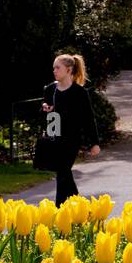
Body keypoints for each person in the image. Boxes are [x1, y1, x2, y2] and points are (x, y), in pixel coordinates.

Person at [41, 53, 100, 204]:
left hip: (71, 140)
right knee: (63, 173)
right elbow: (45, 111)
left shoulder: (79, 93)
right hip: (54, 137)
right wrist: (44, 108)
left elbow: (88, 118)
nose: (54, 70)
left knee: (62, 171)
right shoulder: (50, 89)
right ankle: (79, 207)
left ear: (69, 70)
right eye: (53, 67)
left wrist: (94, 143)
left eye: (58, 67)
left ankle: (59, 209)